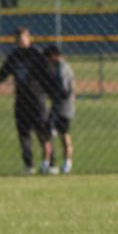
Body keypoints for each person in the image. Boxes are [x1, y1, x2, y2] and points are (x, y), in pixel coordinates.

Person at [0, 27, 56, 174]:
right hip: (21, 100)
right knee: (24, 134)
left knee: (43, 133)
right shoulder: (14, 56)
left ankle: (51, 164)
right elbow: (3, 73)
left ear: (29, 38)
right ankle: (29, 166)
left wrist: (51, 93)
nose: (20, 40)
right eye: (18, 38)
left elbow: (49, 74)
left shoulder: (37, 54)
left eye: (23, 37)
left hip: (37, 100)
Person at [40, 45, 76, 174]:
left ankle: (67, 163)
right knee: (48, 133)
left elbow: (65, 90)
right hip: (58, 106)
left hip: (63, 107)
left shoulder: (63, 68)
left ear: (54, 56)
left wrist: (53, 93)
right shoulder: (58, 67)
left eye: (48, 58)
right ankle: (47, 163)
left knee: (64, 134)